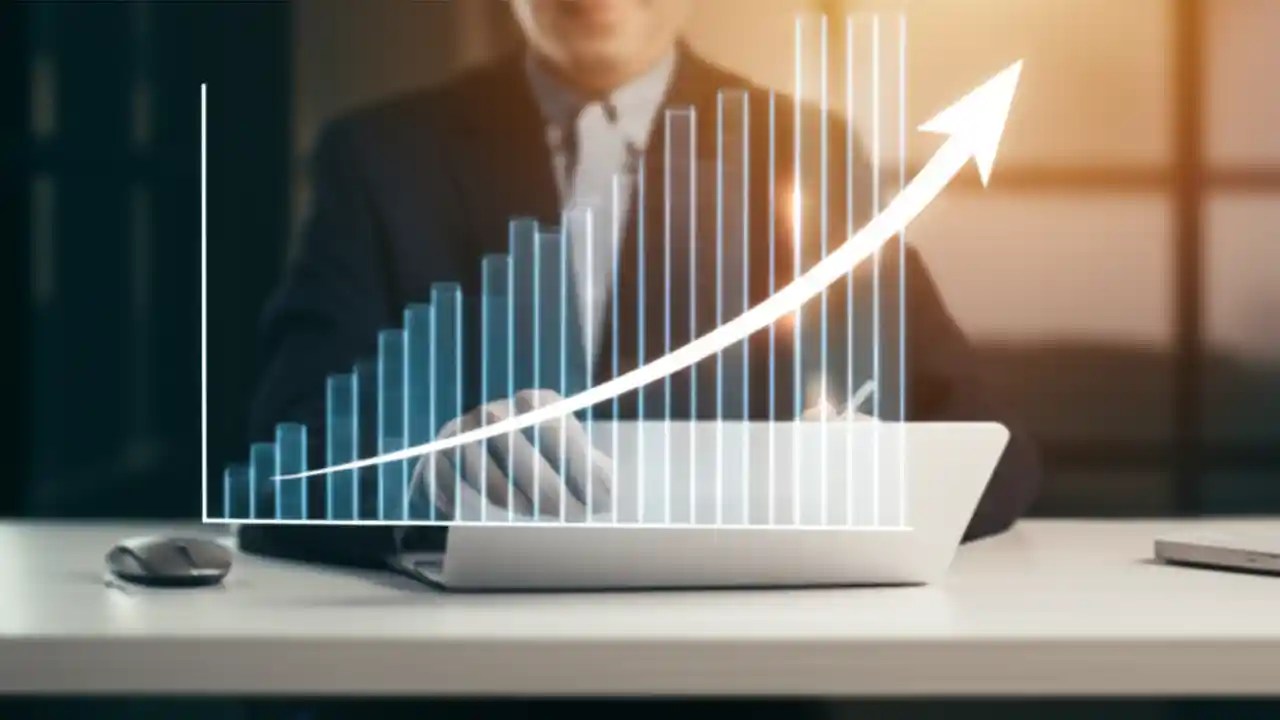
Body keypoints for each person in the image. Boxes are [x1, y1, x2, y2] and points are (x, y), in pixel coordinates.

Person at [240, 0, 1042, 566]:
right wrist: (421, 477)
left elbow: (988, 439)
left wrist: (877, 478)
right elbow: (279, 460)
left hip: (729, 676)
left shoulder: (806, 150)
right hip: (452, 677)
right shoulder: (382, 155)